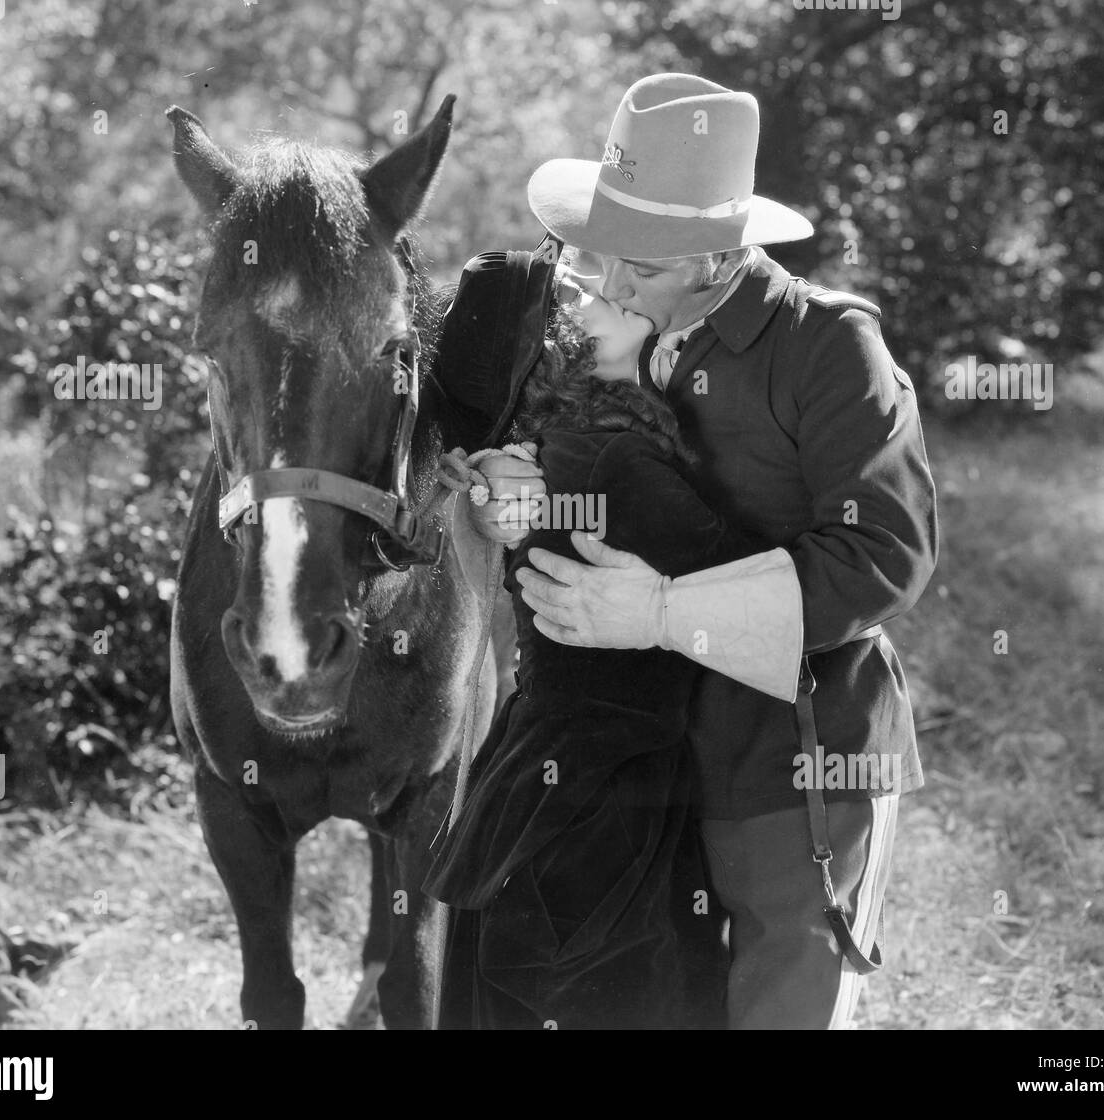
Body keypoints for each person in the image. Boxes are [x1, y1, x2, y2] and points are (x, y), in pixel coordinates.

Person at [453, 73, 939, 1029]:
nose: (609, 284)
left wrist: (666, 612)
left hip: (796, 764)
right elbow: (538, 499)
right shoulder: (598, 329)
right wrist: (505, 506)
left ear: (720, 254)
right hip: (647, 769)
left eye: (643, 264)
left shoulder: (827, 345)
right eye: (605, 257)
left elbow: (889, 552)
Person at [422, 261, 760, 1030]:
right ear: (562, 347)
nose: (612, 296)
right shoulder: (611, 460)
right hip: (604, 792)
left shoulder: (552, 456)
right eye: (590, 301)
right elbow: (753, 584)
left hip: (543, 769)